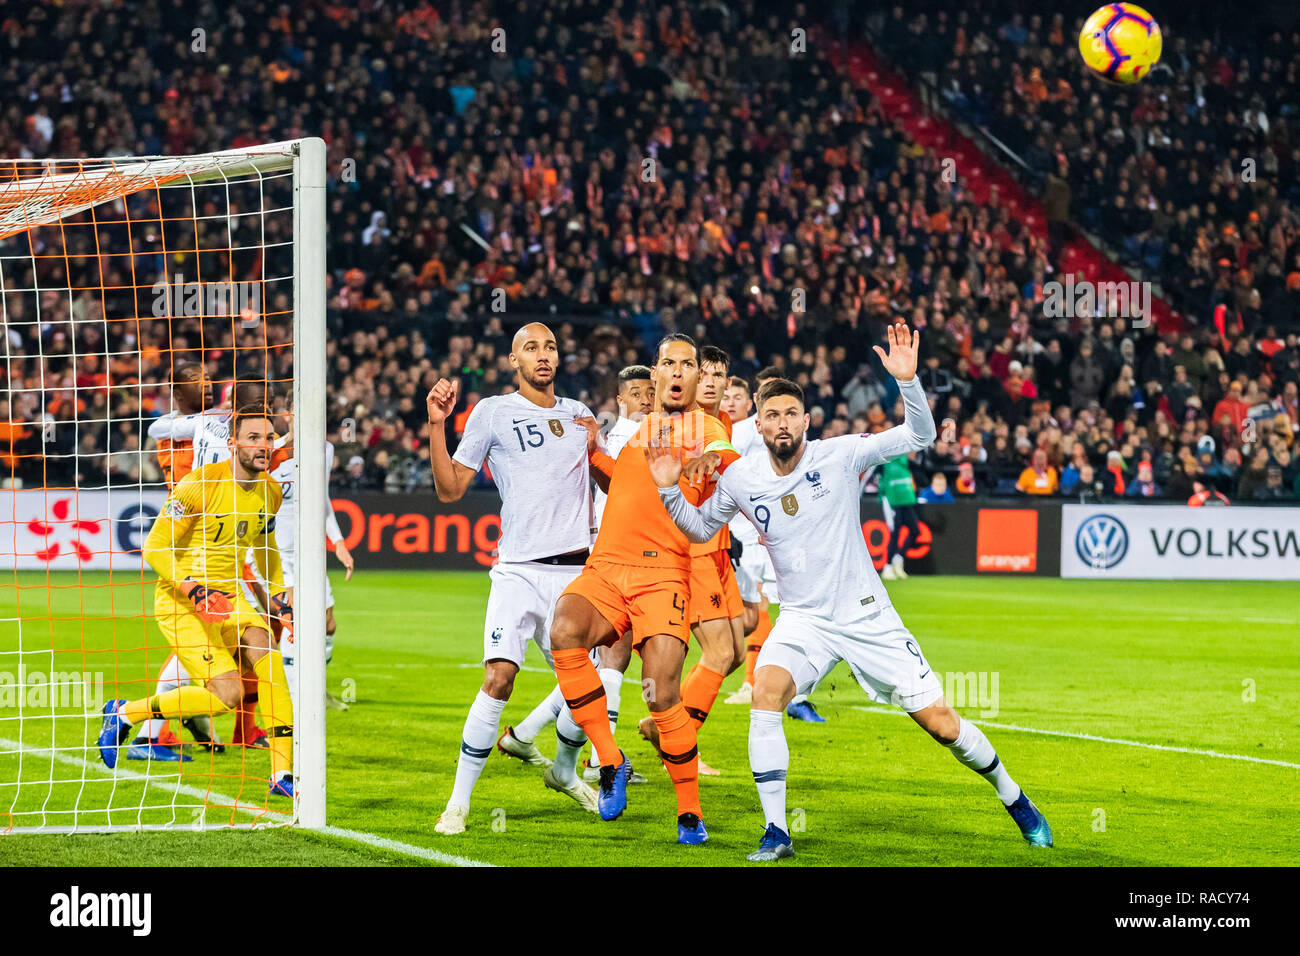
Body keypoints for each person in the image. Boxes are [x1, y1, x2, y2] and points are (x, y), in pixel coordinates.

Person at [650, 319, 1052, 861]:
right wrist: (671, 491)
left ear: (807, 422)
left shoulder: (840, 456)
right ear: (759, 426)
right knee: (766, 693)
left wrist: (908, 384)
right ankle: (776, 832)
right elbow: (699, 528)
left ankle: (1015, 799)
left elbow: (919, 437)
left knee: (943, 725)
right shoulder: (741, 478)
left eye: (792, 413)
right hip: (805, 620)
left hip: (867, 618)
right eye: (772, 415)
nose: (782, 422)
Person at [547, 333, 739, 844]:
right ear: (654, 376)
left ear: (699, 378)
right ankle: (610, 761)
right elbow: (627, 484)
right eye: (669, 363)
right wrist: (595, 456)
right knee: (564, 631)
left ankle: (689, 812)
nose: (678, 372)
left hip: (664, 574)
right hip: (609, 564)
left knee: (662, 692)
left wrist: (708, 463)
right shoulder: (639, 429)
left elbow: (724, 456)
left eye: (688, 365)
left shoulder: (707, 426)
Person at [428, 322, 604, 835]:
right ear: (514, 361)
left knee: (583, 692)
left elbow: (612, 483)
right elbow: (449, 490)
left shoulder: (581, 416)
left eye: (550, 345)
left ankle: (565, 774)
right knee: (499, 678)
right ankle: (458, 804)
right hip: (519, 572)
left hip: (577, 572)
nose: (543, 355)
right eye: (532, 347)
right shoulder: (492, 412)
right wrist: (437, 425)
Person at [97, 404, 297, 797]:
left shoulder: (270, 492)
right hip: (182, 602)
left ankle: (281, 774)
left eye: (269, 438)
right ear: (232, 441)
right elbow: (154, 547)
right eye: (254, 438)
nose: (264, 446)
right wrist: (192, 588)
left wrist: (278, 595)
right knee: (227, 697)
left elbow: (266, 547)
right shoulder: (197, 485)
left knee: (271, 663)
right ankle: (125, 713)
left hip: (230, 598)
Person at [496, 365, 652, 788]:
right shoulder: (618, 441)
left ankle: (525, 735)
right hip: (608, 558)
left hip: (609, 556)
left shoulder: (624, 438)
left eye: (650, 393)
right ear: (620, 400)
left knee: (592, 663)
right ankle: (597, 762)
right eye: (637, 393)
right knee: (607, 661)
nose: (646, 400)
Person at [637, 346, 746, 776]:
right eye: (708, 374)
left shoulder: (726, 423)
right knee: (718, 652)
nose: (715, 382)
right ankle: (676, 746)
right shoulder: (695, 421)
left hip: (719, 548)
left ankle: (661, 724)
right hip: (693, 549)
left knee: (736, 652)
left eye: (722, 375)